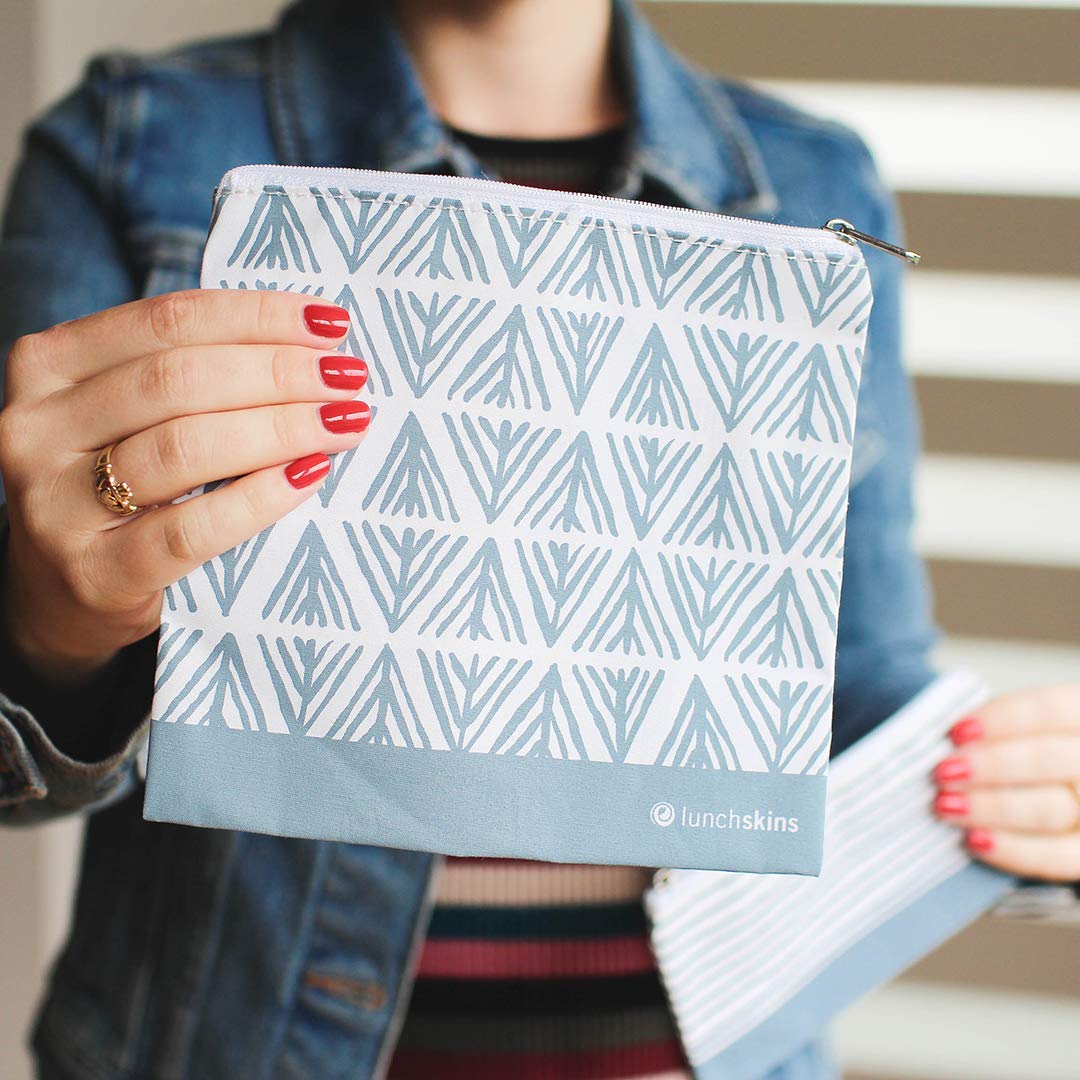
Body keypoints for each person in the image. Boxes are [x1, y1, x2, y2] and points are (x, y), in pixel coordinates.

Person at [0, 1, 1077, 1077]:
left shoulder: (819, 183)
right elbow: (29, 774)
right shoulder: (126, 140)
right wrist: (56, 622)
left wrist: (1026, 798)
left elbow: (852, 690)